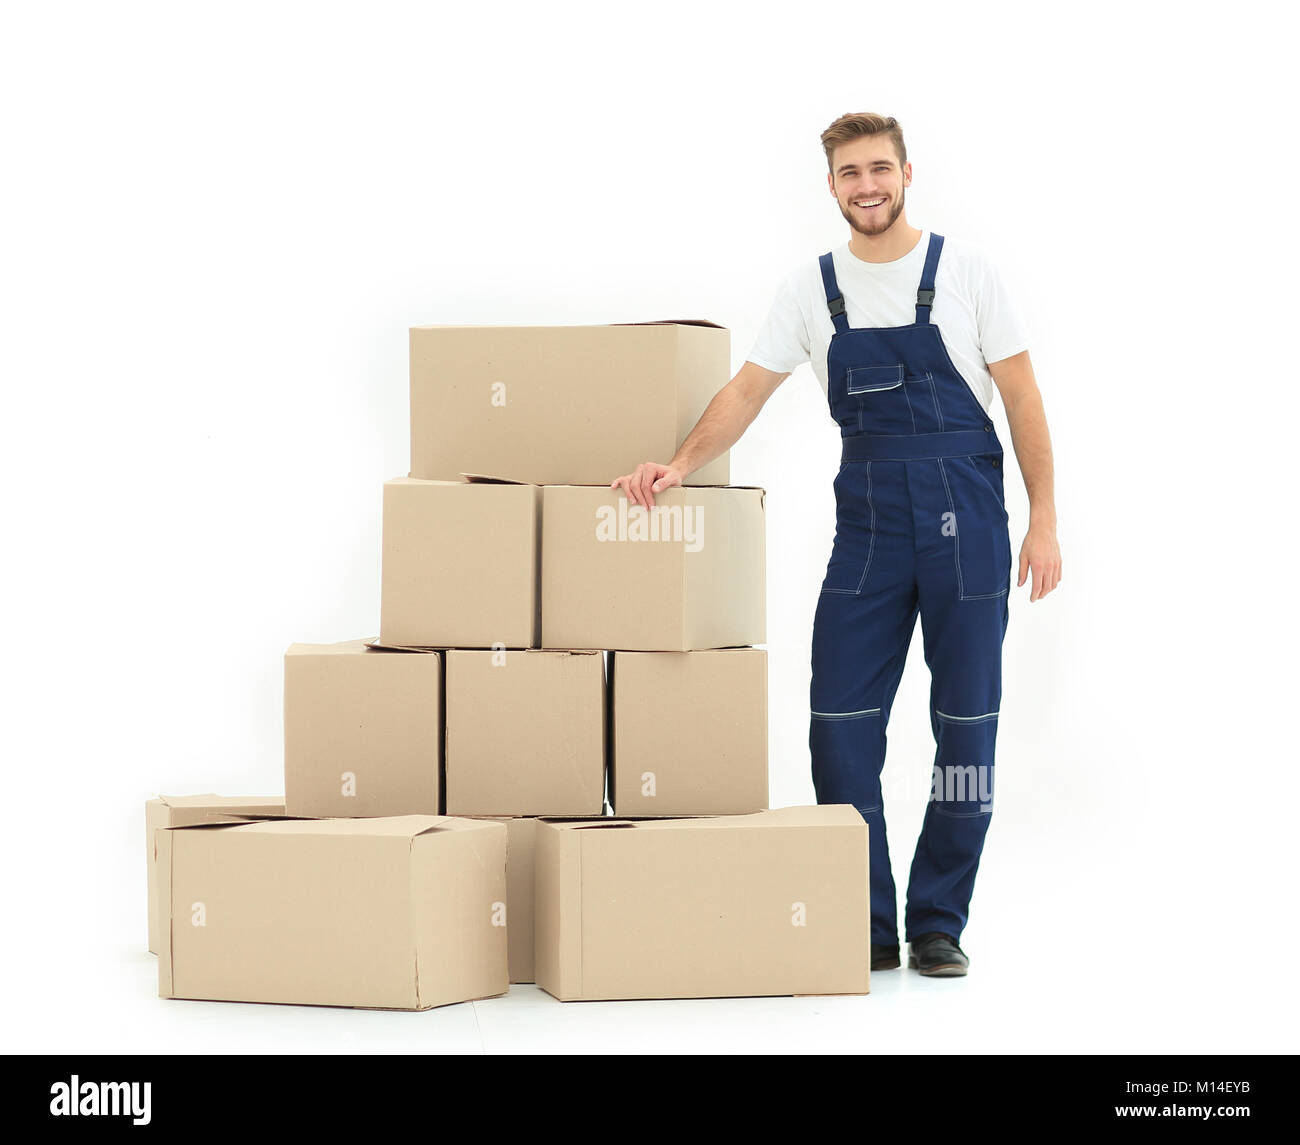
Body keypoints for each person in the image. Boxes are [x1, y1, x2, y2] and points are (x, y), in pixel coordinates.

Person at [609, 111, 1061, 978]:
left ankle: (937, 919)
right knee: (839, 726)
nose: (867, 186)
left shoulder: (966, 272)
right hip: (868, 532)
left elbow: (1025, 399)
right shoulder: (809, 290)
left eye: (880, 169)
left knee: (965, 733)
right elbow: (747, 391)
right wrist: (677, 465)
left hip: (967, 526)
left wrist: (1043, 518)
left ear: (907, 173)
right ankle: (865, 917)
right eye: (850, 173)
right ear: (830, 185)